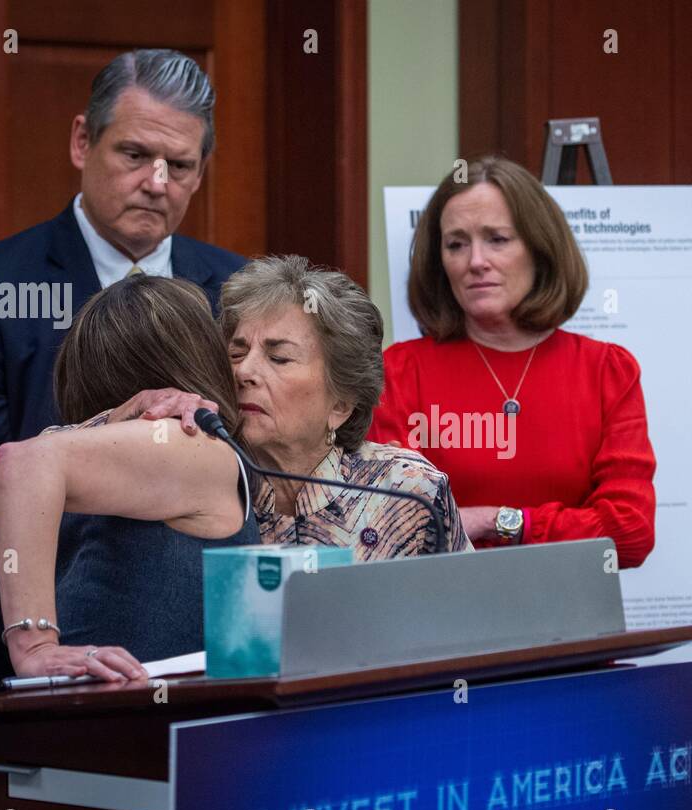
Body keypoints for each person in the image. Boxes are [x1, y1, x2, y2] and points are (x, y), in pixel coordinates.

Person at [0, 49, 246, 763]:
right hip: (16, 685)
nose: (157, 182)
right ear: (80, 142)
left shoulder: (237, 290)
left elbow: (259, 465)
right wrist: (62, 627)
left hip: (202, 679)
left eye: (179, 165)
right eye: (134, 153)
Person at [0, 275, 262, 810]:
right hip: (37, 804)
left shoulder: (164, 448)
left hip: (36, 792)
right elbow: (20, 460)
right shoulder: (189, 446)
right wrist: (34, 644)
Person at [367, 156, 656, 568]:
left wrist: (496, 522)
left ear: (540, 249)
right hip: (439, 617)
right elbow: (391, 529)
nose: (475, 261)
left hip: (573, 620)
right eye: (456, 244)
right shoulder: (397, 372)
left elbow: (629, 535)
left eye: (497, 239)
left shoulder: (607, 370)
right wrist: (561, 530)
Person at [219, 256, 471, 557]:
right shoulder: (204, 484)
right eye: (237, 353)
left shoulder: (409, 491)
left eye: (279, 358)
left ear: (341, 403)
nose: (244, 372)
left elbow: (462, 602)